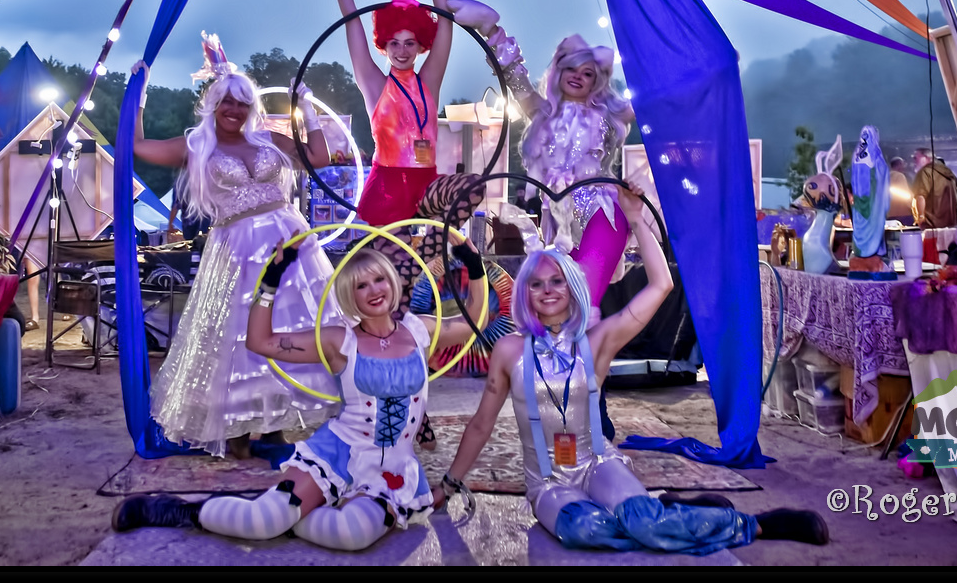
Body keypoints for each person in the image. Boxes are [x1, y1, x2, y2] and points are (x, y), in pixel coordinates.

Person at [438, 192, 829, 553]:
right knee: (589, 531)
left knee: (642, 523)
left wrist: (636, 219)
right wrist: (450, 484)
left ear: (572, 286)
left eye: (557, 280)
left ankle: (752, 524)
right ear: (525, 293)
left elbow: (661, 285)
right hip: (548, 483)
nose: (547, 290)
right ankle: (670, 510)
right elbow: (480, 425)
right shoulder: (509, 352)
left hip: (597, 464)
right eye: (536, 284)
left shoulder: (596, 341)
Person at [113, 235, 489, 551]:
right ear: (350, 295)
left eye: (379, 280)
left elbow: (478, 316)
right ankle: (180, 511)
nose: (374, 290)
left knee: (353, 534)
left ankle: (288, 514)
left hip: (390, 469)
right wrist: (270, 282)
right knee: (263, 521)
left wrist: (474, 266)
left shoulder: (422, 330)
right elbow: (262, 342)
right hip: (338, 452)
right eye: (361, 285)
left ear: (393, 282)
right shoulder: (338, 341)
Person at [131, 36, 336, 459]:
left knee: (289, 326)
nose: (234, 110)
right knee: (235, 335)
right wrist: (140, 93)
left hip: (290, 245)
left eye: (242, 103)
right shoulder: (197, 146)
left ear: (250, 108)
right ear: (213, 103)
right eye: (226, 101)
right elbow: (138, 147)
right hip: (237, 249)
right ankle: (238, 425)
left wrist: (308, 108)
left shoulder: (267, 141)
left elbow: (320, 156)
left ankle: (277, 423)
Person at [301, 0, 452, 229]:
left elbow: (446, 22)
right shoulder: (374, 84)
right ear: (383, 46)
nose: (402, 50)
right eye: (394, 43)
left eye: (410, 42)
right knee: (386, 270)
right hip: (386, 187)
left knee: (429, 269)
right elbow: (352, 24)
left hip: (427, 184)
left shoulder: (428, 84)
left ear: (422, 45)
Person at [496, 32, 634, 307]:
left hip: (601, 209)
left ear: (597, 81)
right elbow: (514, 76)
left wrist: (701, 77)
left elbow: (658, 101)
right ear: (558, 71)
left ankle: (582, 348)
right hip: (558, 219)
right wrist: (491, 32)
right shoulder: (543, 111)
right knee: (561, 302)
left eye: (587, 73)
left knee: (585, 301)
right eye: (570, 68)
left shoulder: (608, 113)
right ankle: (559, 350)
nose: (577, 77)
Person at [910, 148, 957, 229]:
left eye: (916, 158)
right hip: (950, 224)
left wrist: (921, 217)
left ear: (926, 158)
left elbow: (920, 196)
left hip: (931, 225)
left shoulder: (925, 172)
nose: (914, 162)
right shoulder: (948, 173)